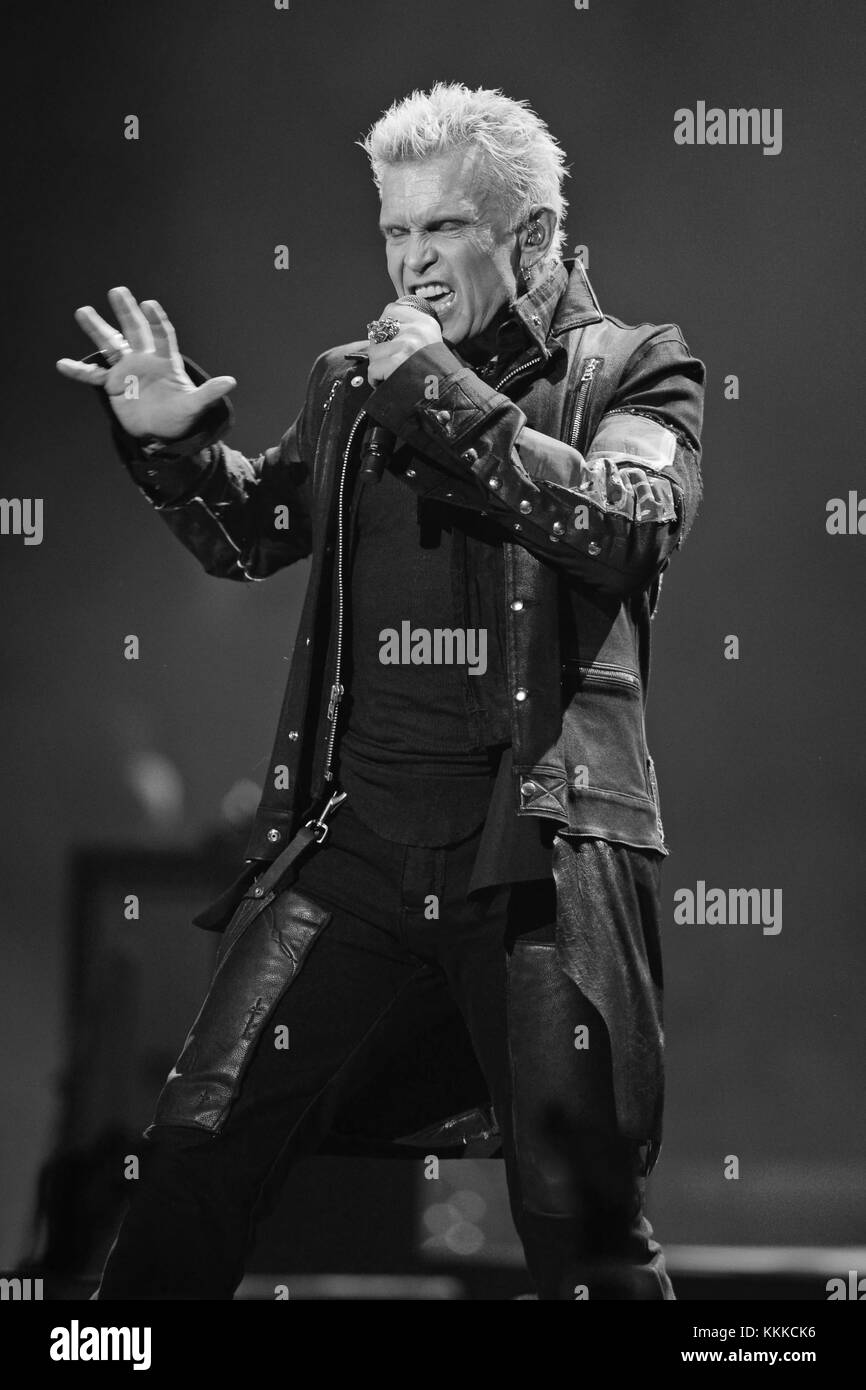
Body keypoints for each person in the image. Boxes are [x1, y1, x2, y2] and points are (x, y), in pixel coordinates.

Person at [57, 82, 705, 1301]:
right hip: (354, 845)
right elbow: (252, 533)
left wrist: (443, 396)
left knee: (580, 1214)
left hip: (533, 852)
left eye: (441, 231)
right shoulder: (354, 385)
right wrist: (174, 449)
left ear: (529, 235)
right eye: (393, 233)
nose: (409, 265)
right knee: (194, 1149)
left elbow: (620, 527)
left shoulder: (633, 369)